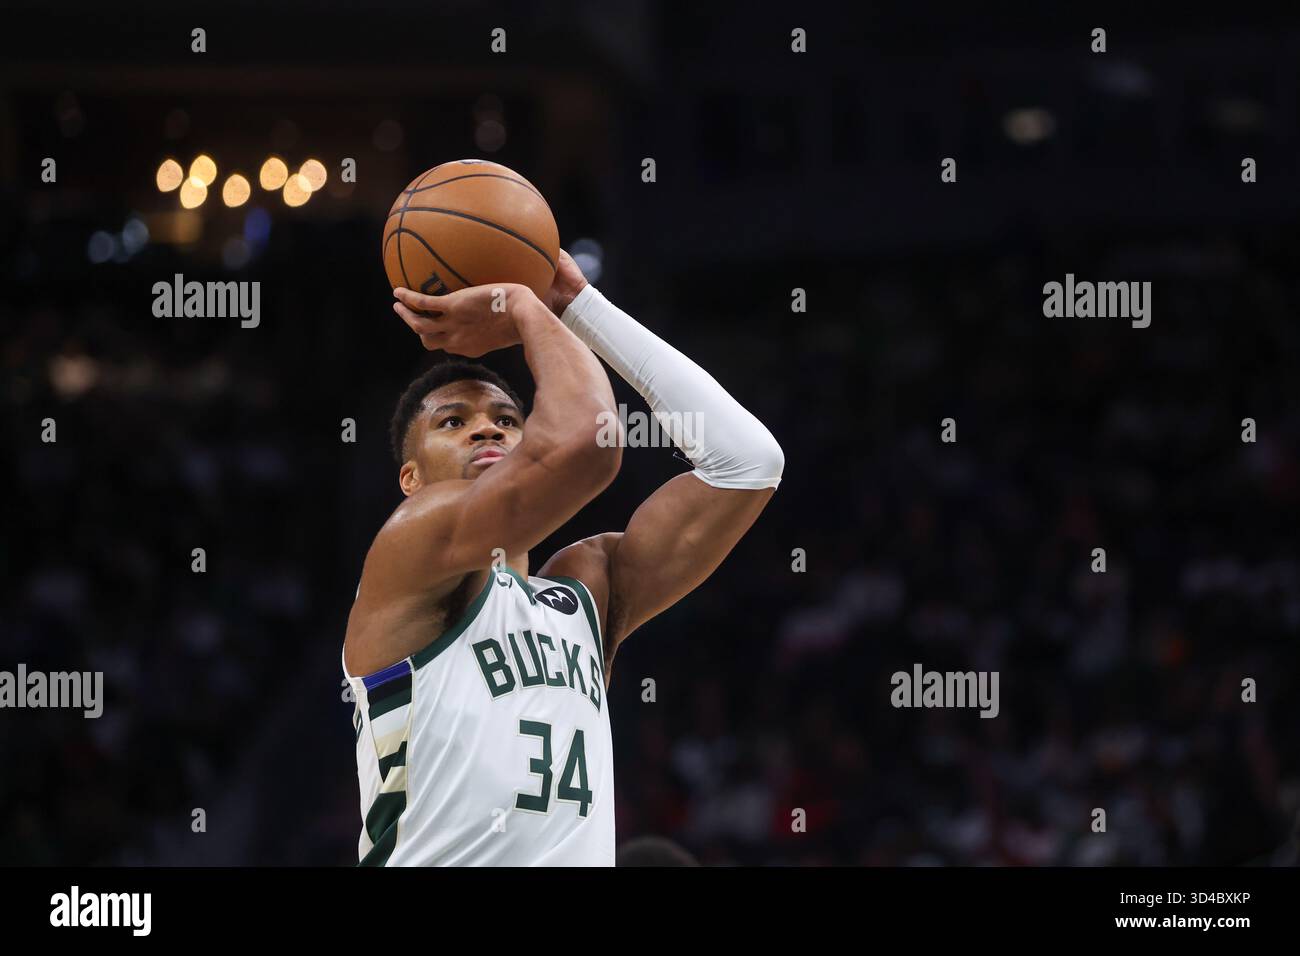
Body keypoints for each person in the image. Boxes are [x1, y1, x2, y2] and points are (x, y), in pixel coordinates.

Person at [342, 250, 783, 865]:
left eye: (506, 418)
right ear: (410, 480)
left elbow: (748, 464)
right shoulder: (408, 546)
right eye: (453, 421)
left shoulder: (586, 590)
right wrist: (526, 305)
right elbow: (590, 442)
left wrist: (583, 309)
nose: (487, 429)